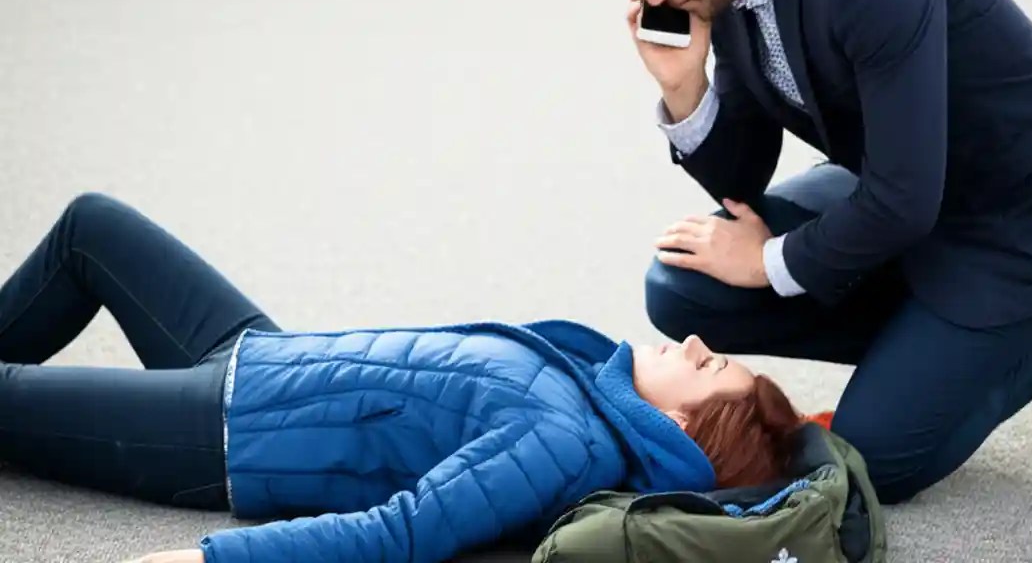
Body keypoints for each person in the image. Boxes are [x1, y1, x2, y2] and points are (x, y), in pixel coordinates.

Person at [579, 0, 1032, 504]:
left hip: (1022, 218)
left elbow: (904, 200)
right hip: (899, 186)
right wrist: (684, 89)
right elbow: (746, 177)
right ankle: (940, 334)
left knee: (873, 461)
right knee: (681, 288)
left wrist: (768, 261)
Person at [0, 193, 805, 563]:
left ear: (685, 428)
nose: (695, 340)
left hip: (221, 433)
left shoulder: (563, 443)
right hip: (265, 356)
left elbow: (401, 533)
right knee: (92, 227)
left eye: (709, 368)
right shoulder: (592, 389)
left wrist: (209, 561)